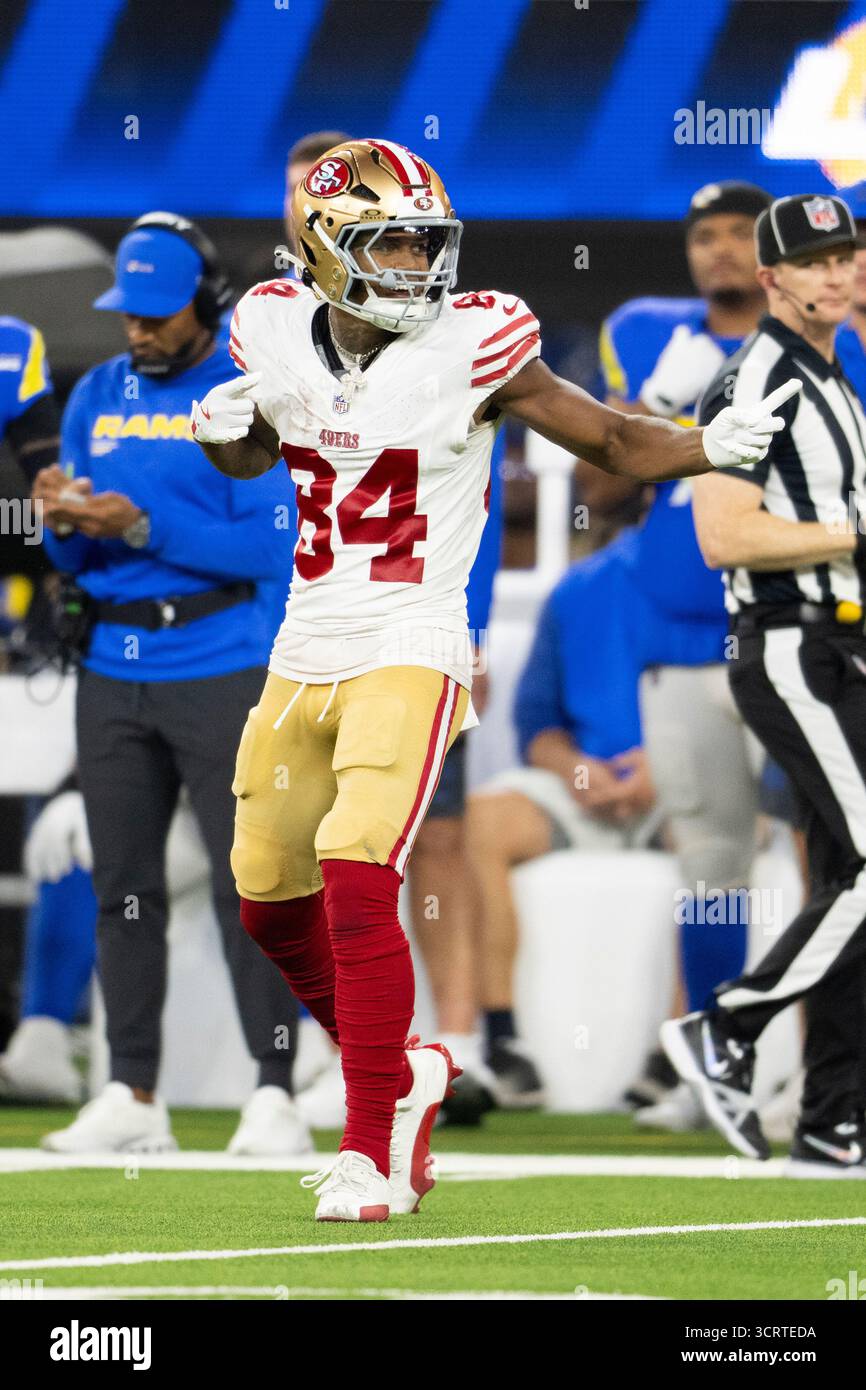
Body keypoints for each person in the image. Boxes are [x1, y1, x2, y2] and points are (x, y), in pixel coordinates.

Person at [190, 137, 799, 1222]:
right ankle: (407, 1065)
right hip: (304, 644)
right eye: (389, 242)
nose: (418, 262)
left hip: (412, 637)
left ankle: (372, 1143)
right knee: (265, 905)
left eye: (427, 239)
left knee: (357, 869)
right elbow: (255, 448)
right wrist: (222, 438)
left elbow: (610, 437)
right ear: (327, 251)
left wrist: (708, 444)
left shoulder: (476, 340)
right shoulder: (271, 321)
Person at [30, 214, 310, 1157]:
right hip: (111, 666)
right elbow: (75, 547)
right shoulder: (96, 393)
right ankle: (131, 1089)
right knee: (124, 889)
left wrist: (146, 529)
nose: (139, 332)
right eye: (129, 315)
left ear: (206, 303)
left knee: (252, 883)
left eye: (158, 315)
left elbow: (272, 544)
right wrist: (62, 523)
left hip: (220, 662)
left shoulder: (244, 398)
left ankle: (274, 1090)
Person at [663, 193, 866, 1178]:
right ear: (771, 275)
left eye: (847, 257)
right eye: (814, 260)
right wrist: (853, 540)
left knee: (847, 884)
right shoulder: (750, 381)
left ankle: (829, 1119)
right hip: (788, 646)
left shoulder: (832, 377)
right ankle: (725, 1027)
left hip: (838, 649)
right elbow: (721, 535)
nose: (834, 274)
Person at [590, 182, 773, 1131]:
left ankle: (832, 1068)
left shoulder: (831, 340)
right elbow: (596, 486)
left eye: (742, 231)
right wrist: (646, 423)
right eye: (705, 235)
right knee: (708, 867)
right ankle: (718, 1065)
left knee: (836, 856)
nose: (721, 250)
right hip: (680, 642)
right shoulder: (650, 336)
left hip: (793, 635)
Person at [466, 526, 660, 1108]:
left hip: (681, 786)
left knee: (716, 837)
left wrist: (672, 763)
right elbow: (536, 725)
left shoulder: (718, 586)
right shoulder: (574, 591)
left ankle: (680, 1052)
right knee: (482, 822)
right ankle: (505, 1043)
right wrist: (578, 771)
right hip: (583, 790)